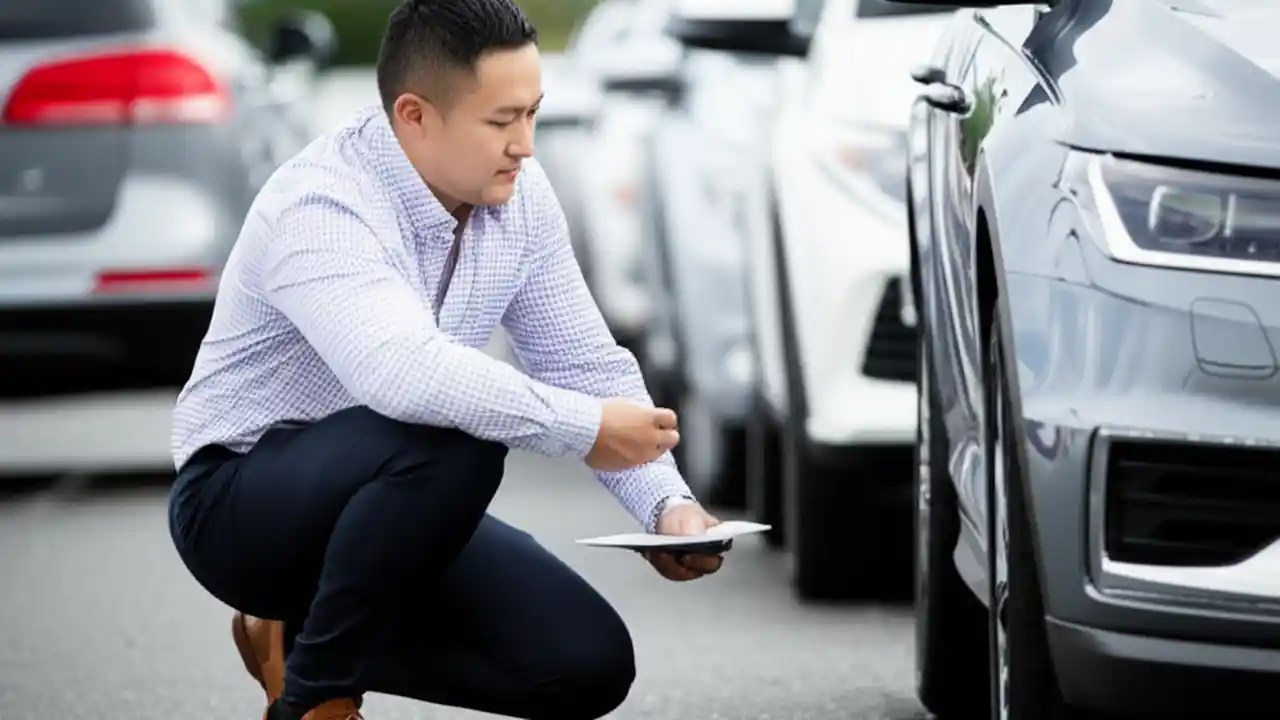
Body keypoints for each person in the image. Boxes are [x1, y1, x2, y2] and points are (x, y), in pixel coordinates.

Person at [165, 1, 727, 719]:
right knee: (454, 433)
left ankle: (296, 633)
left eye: (532, 113)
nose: (525, 144)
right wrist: (585, 428)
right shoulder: (323, 203)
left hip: (392, 505)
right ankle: (317, 700)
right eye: (501, 121)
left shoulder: (519, 198)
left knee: (586, 665)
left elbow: (583, 361)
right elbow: (403, 373)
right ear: (414, 116)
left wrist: (666, 503)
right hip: (242, 505)